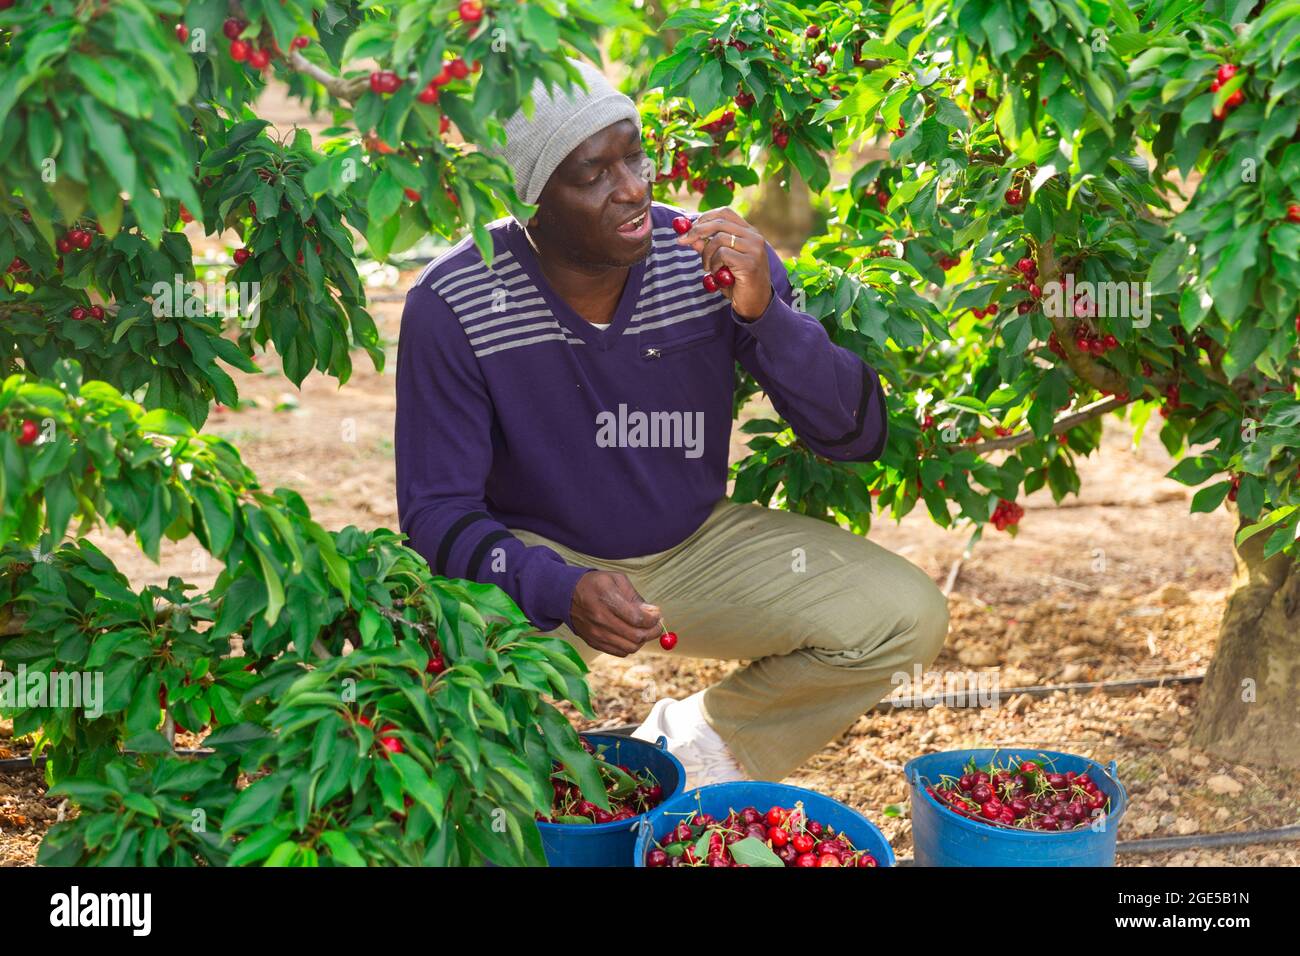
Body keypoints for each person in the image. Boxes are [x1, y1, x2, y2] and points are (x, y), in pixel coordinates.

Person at [395, 59, 948, 787]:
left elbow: (853, 435)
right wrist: (557, 587)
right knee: (450, 701)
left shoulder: (706, 260)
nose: (632, 188)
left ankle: (699, 744)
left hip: (694, 547)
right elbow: (438, 514)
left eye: (635, 156)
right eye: (594, 174)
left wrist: (765, 314)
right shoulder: (456, 301)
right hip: (539, 560)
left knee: (904, 618)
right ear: (532, 203)